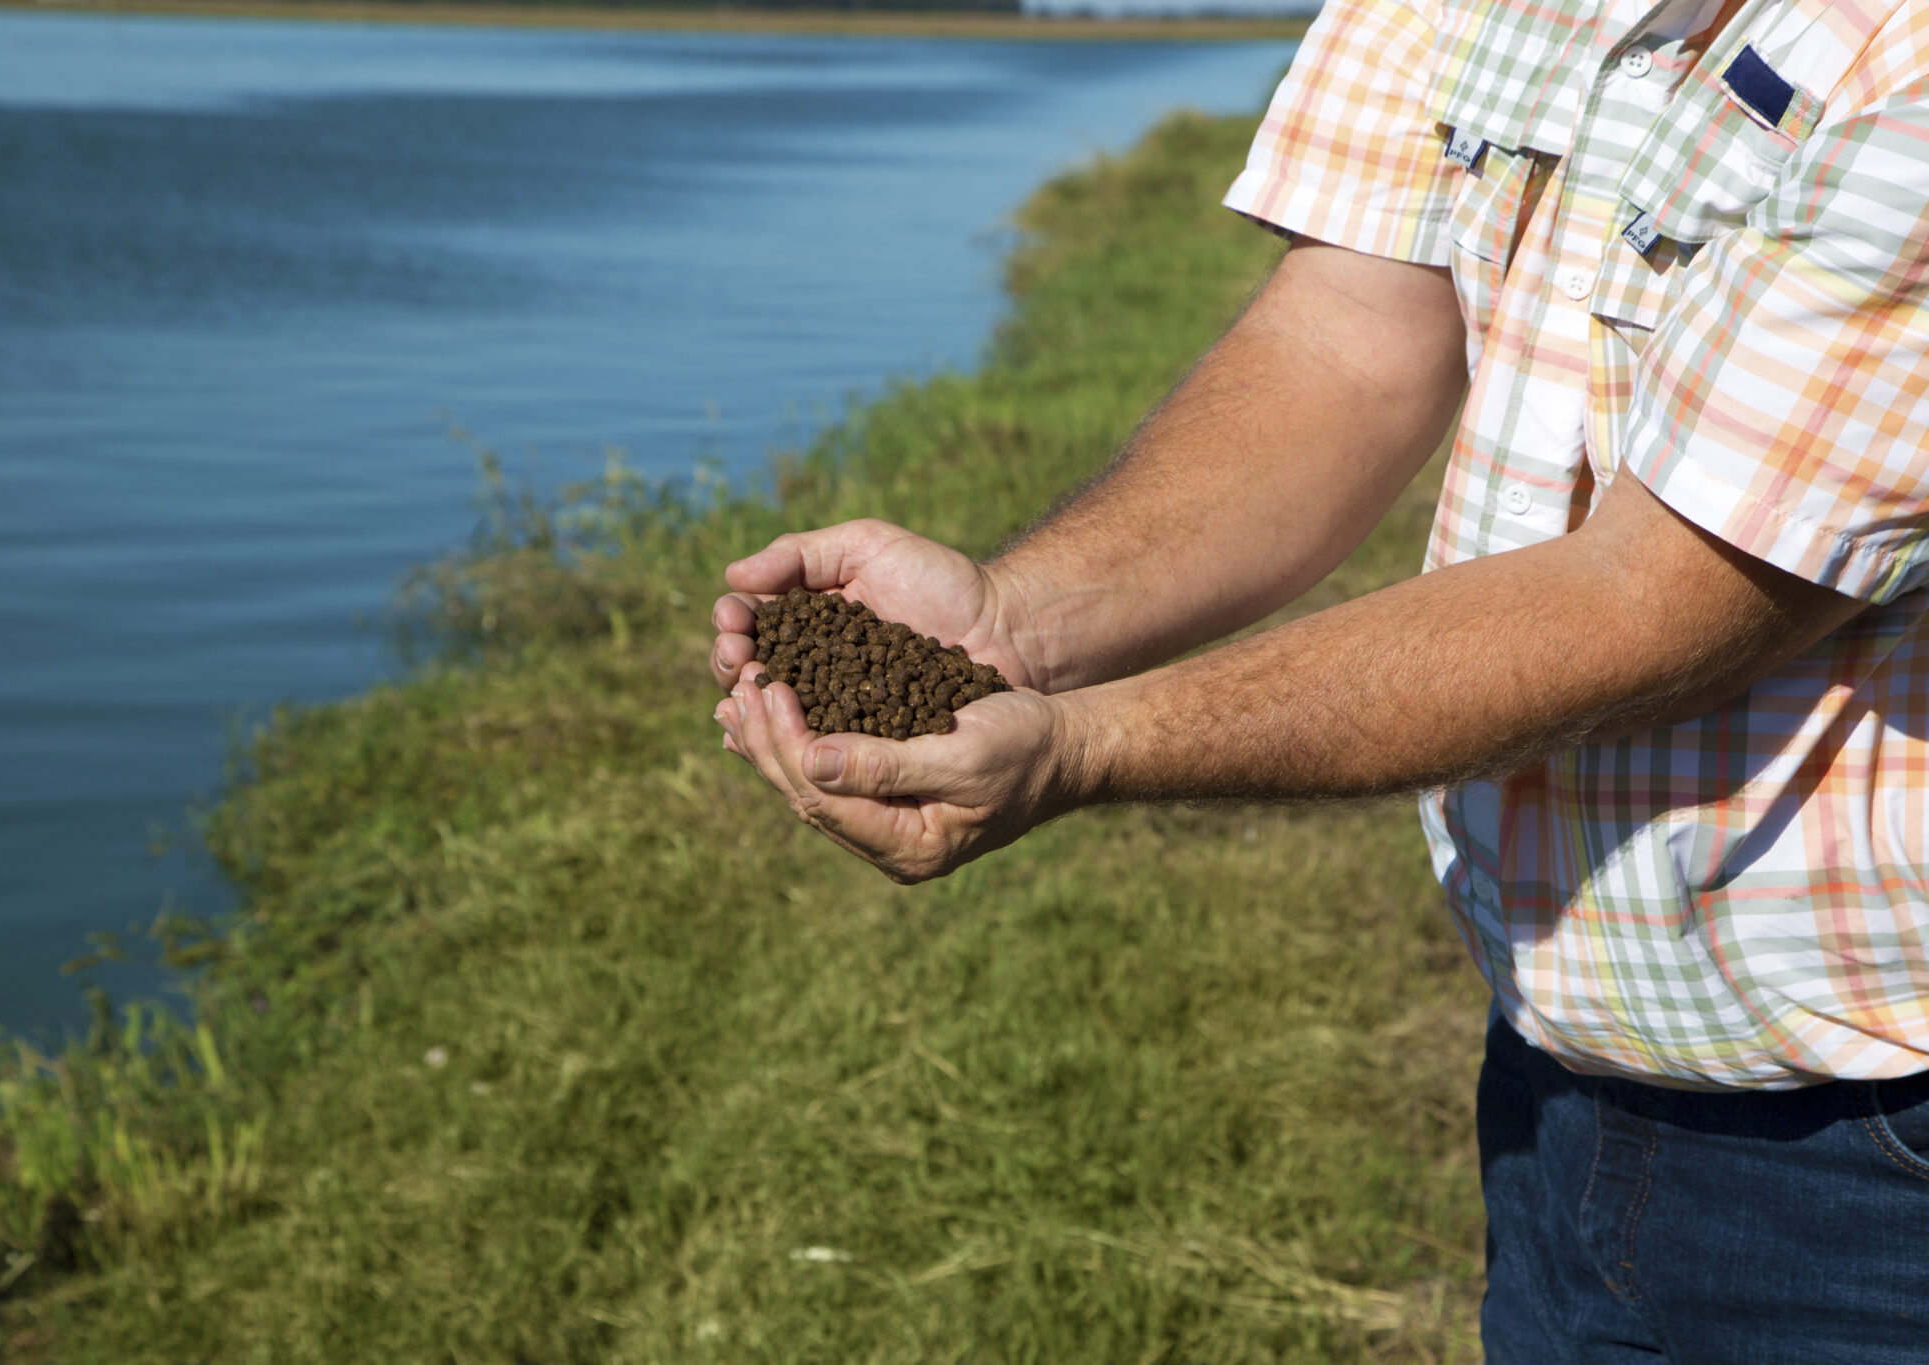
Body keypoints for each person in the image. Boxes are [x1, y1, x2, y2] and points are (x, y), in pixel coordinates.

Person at [710, 0, 1929, 1355]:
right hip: (1557, 1082)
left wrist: (1080, 746)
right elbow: (1351, 342)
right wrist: (1014, 621)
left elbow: (1656, 595)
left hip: (1876, 1151)